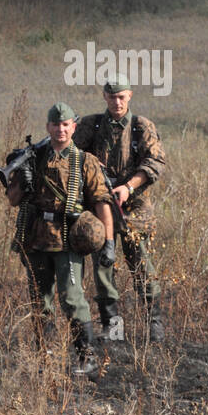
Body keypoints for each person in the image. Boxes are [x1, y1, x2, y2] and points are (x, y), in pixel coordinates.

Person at [5, 102, 113, 374]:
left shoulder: (85, 161)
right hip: (36, 240)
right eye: (56, 125)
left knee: (73, 298)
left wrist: (108, 242)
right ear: (48, 127)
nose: (60, 130)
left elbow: (102, 203)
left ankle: (86, 357)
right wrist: (21, 177)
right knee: (40, 301)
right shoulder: (34, 156)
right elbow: (12, 200)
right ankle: (45, 356)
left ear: (73, 127)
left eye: (66, 125)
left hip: (69, 240)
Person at [73, 75, 167, 342]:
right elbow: (72, 156)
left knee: (141, 265)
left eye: (121, 96)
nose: (117, 102)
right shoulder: (91, 125)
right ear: (104, 96)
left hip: (134, 209)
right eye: (112, 97)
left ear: (130, 96)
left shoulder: (141, 126)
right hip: (101, 208)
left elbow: (155, 163)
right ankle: (113, 328)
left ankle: (154, 323)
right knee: (104, 267)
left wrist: (128, 187)